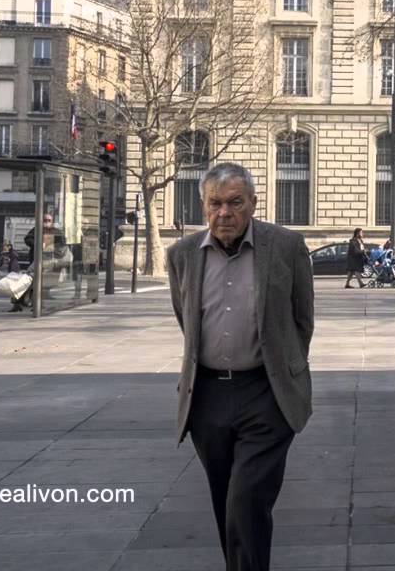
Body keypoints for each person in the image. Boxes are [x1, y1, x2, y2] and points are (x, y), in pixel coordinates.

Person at [166, 162, 314, 571]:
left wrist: (287, 369)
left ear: (253, 203)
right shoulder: (181, 255)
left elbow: (302, 319)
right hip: (208, 397)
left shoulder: (285, 246)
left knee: (245, 498)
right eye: (215, 204)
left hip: (266, 394)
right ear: (203, 205)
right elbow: (187, 322)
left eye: (235, 203)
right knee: (224, 501)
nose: (224, 213)